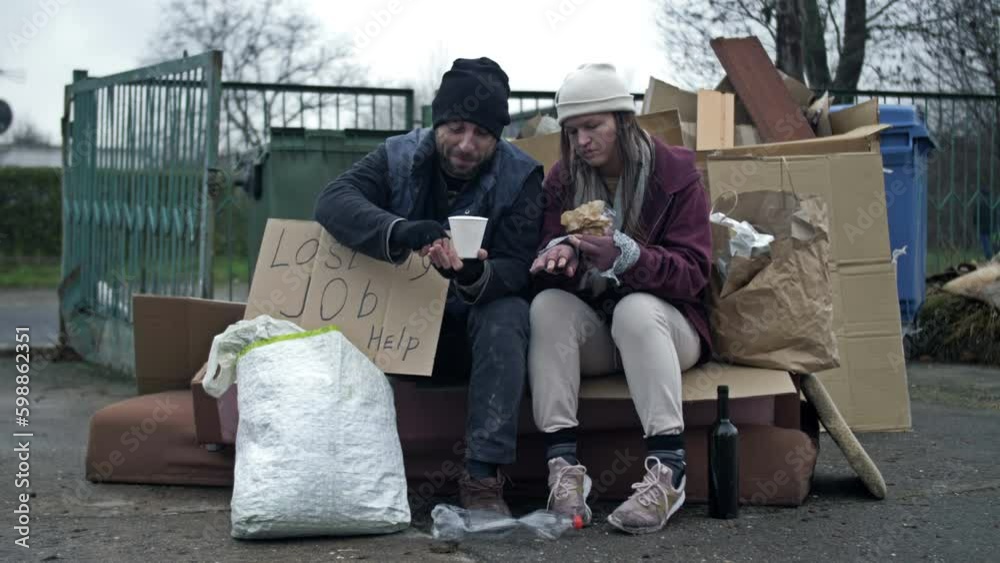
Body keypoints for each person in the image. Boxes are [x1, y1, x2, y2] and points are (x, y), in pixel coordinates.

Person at [314, 57, 543, 516]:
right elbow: (333, 201)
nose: (465, 144)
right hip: (395, 327)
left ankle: (482, 477)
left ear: (498, 139)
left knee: (509, 313)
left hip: (471, 334)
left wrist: (477, 276)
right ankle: (337, 466)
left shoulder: (522, 176)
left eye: (481, 134)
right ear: (436, 123)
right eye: (455, 128)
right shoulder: (397, 155)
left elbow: (520, 265)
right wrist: (401, 231)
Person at [527, 64, 713, 534]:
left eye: (593, 126)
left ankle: (668, 473)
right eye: (571, 131)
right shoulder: (562, 179)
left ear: (623, 122)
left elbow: (694, 274)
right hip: (599, 333)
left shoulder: (675, 173)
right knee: (546, 305)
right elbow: (548, 242)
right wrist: (561, 256)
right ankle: (563, 472)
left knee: (635, 308)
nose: (581, 141)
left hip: (668, 329)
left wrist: (627, 256)